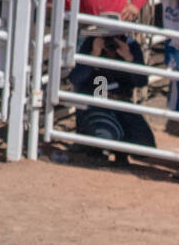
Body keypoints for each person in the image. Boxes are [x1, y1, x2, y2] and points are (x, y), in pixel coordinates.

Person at [67, 26, 156, 165]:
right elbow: (75, 79)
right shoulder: (89, 44)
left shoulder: (130, 47)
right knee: (105, 135)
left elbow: (141, 82)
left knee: (145, 145)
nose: (111, 42)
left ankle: (120, 150)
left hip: (123, 103)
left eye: (116, 37)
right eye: (106, 38)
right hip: (97, 101)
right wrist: (94, 55)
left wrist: (129, 58)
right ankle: (96, 145)